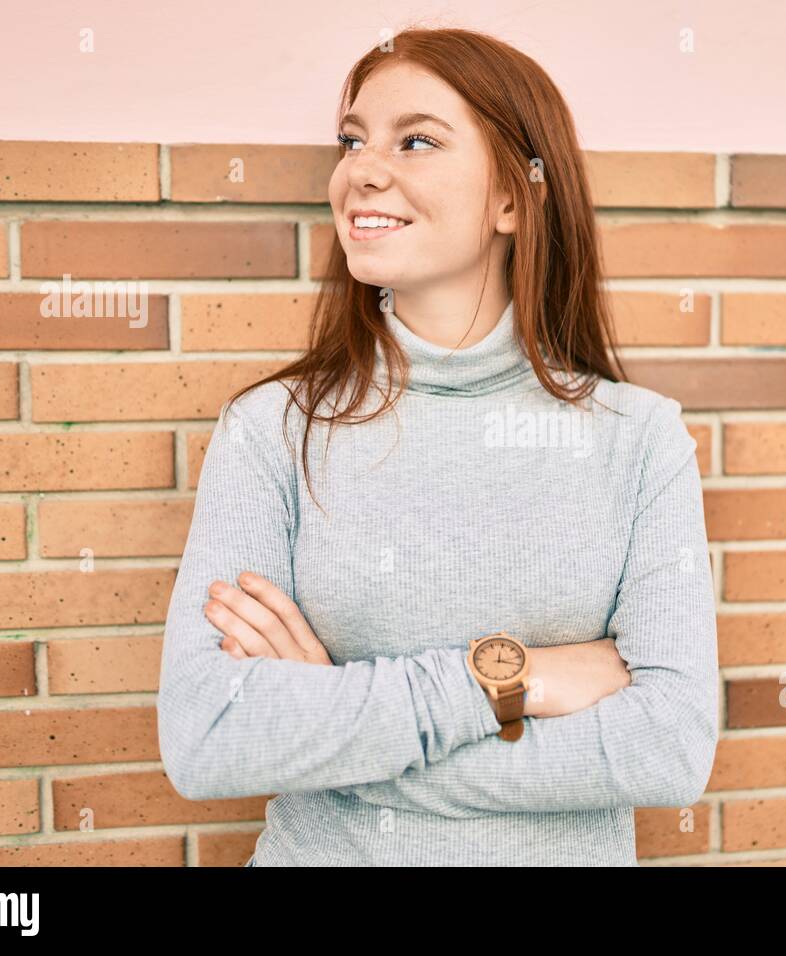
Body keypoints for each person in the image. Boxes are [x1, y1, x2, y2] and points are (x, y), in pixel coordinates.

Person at [157, 26, 719, 866]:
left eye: (415, 140)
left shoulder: (639, 441)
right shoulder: (273, 430)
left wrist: (331, 728)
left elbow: (669, 748)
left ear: (513, 201)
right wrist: (507, 679)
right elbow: (207, 737)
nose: (361, 171)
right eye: (352, 141)